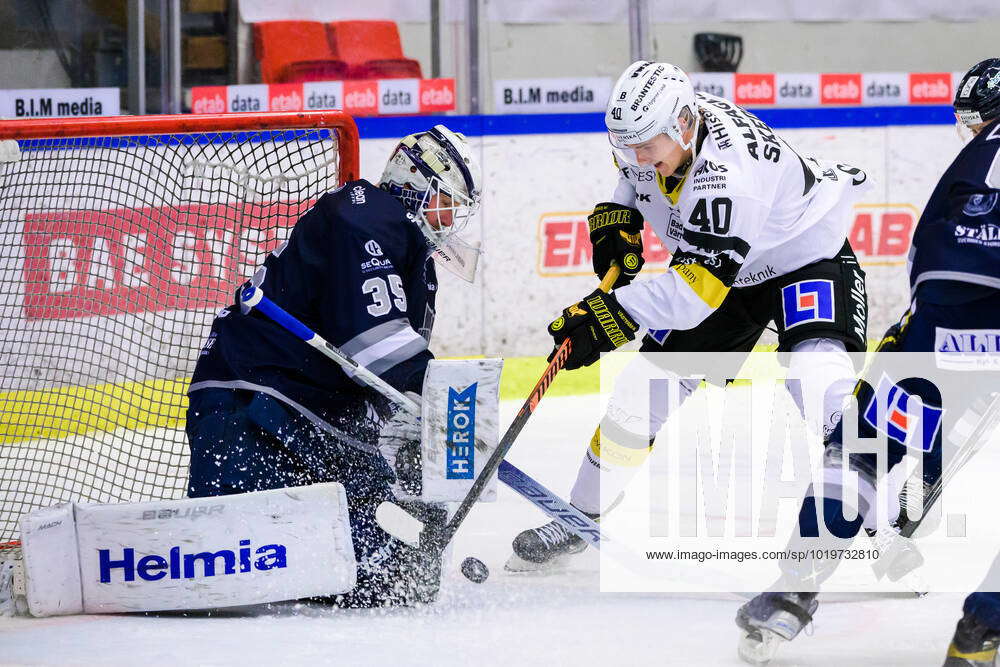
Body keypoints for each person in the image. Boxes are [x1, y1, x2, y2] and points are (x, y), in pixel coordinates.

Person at [508, 60, 873, 570]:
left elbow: (693, 296)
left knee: (816, 384)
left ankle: (887, 513)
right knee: (640, 393)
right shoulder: (656, 136)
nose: (637, 156)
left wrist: (606, 317)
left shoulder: (730, 174)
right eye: (627, 144)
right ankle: (578, 519)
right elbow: (634, 175)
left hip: (803, 257)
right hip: (725, 271)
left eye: (646, 144)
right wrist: (622, 216)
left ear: (683, 123)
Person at [733, 58, 1000, 667]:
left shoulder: (978, 154)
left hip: (943, 310)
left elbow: (929, 255)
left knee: (863, 448)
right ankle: (985, 627)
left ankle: (792, 592)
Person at [185, 125, 482, 607]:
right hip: (254, 401)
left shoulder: (411, 254)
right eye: (444, 201)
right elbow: (374, 339)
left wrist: (412, 426)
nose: (448, 219)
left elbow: (380, 378)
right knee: (233, 564)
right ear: (414, 182)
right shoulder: (365, 218)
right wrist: (443, 399)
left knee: (393, 576)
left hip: (318, 415)